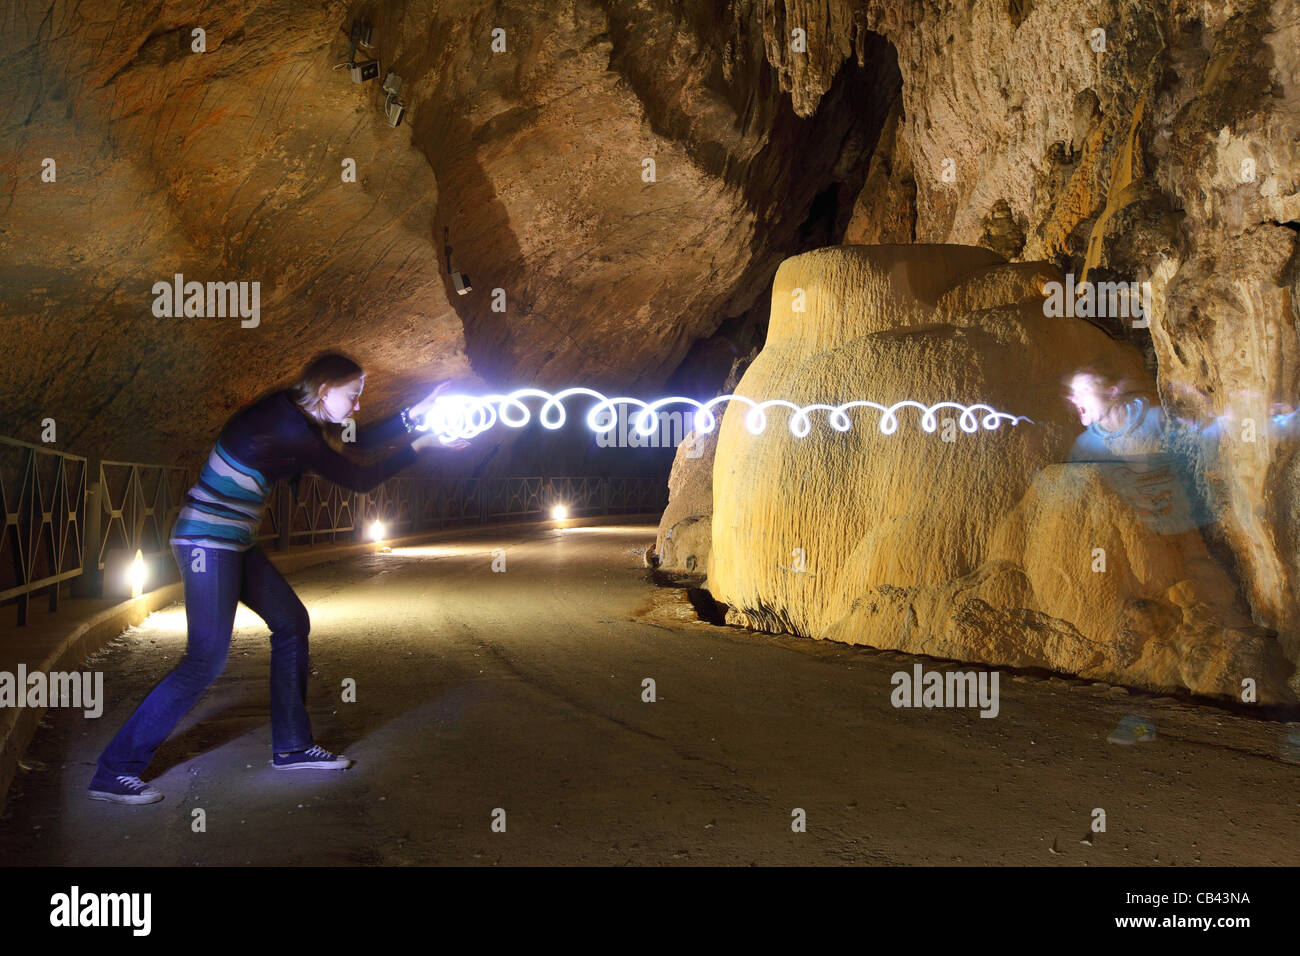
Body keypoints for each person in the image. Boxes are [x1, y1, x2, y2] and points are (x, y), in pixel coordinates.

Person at [89, 352, 465, 804]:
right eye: (354, 395)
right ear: (326, 391)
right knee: (205, 660)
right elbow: (359, 478)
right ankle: (114, 770)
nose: (359, 405)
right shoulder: (289, 428)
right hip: (207, 543)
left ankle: (292, 747)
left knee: (291, 622)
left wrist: (414, 414)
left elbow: (356, 439)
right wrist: (421, 446)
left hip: (235, 542)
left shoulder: (297, 413)